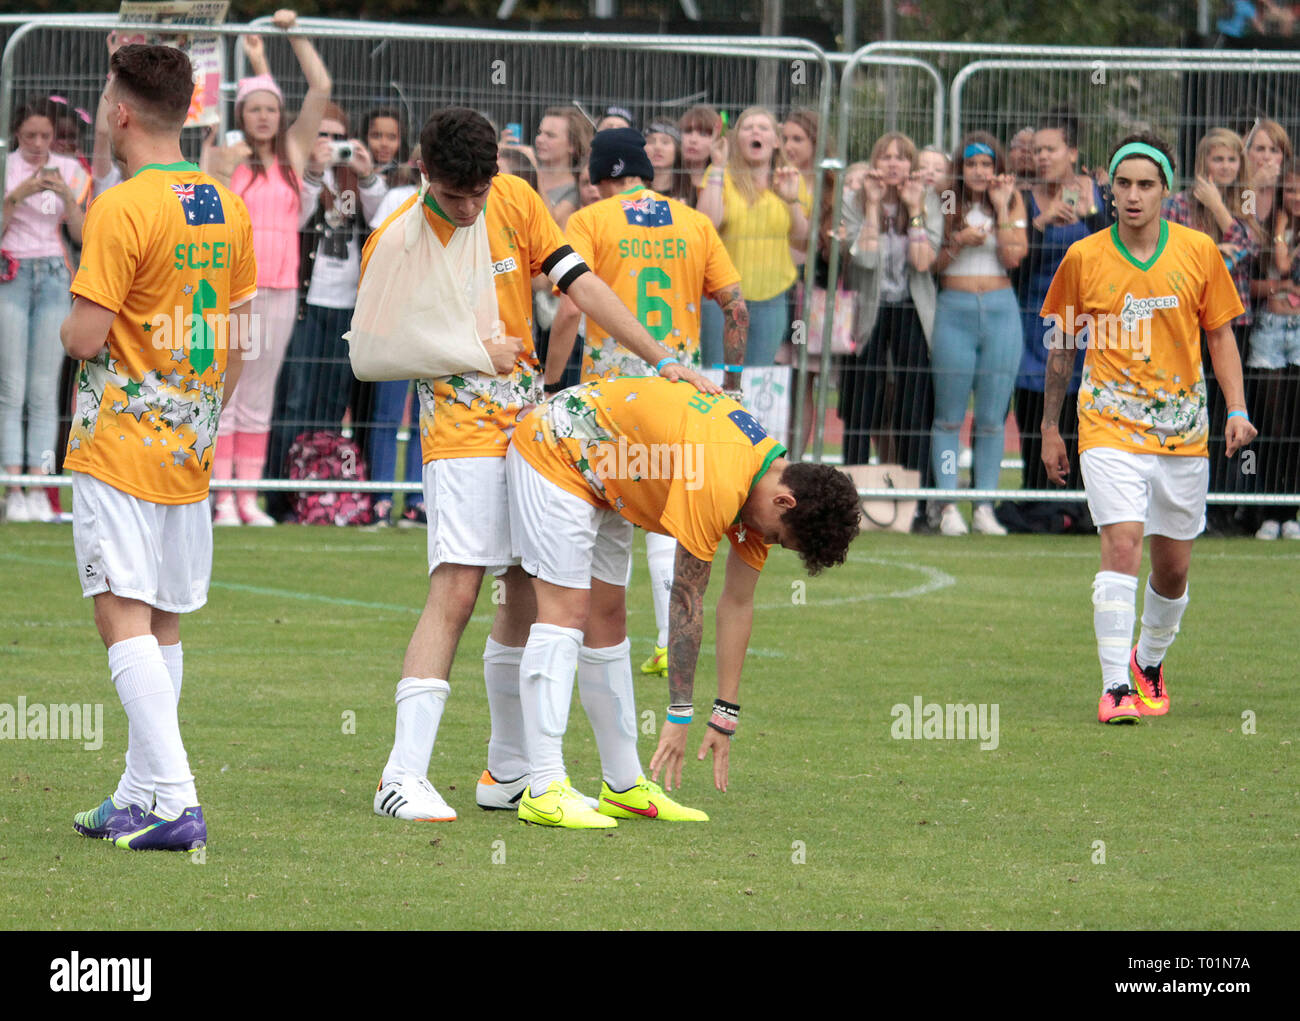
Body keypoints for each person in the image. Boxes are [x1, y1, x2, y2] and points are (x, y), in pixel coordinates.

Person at [362, 108, 717, 824]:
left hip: (530, 431)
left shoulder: (517, 200)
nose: (469, 207)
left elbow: (580, 286)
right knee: (458, 589)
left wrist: (665, 358)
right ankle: (400, 775)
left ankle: (508, 770)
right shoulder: (398, 235)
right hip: (458, 431)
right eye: (455, 195)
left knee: (524, 586)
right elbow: (370, 355)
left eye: (478, 193)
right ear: (425, 176)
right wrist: (465, 352)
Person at [506, 377, 862, 826]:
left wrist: (724, 717)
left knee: (608, 618)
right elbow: (687, 596)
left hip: (607, 470)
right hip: (556, 447)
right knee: (566, 611)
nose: (767, 543)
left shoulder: (764, 484)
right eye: (777, 537)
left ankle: (623, 786)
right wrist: (678, 714)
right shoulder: (721, 474)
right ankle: (544, 786)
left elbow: (736, 604)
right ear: (784, 501)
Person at [60, 43, 257, 850]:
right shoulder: (226, 200)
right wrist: (203, 408)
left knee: (122, 617)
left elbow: (83, 336)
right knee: (163, 621)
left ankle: (177, 797)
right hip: (188, 443)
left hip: (118, 445)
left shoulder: (120, 204)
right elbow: (243, 330)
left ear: (120, 113)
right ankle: (140, 790)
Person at [1040, 132, 1255, 724]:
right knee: (1123, 544)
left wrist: (1236, 409)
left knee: (1173, 567)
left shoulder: (1198, 251)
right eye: (1123, 185)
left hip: (1183, 433)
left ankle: (1149, 661)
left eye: (1146, 185)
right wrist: (1050, 427)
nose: (1133, 196)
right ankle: (1114, 687)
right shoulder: (1083, 257)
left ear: (1166, 190)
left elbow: (1220, 335)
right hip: (1106, 426)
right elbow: (1061, 343)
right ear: (1108, 189)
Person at [542, 127, 746, 682]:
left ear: (599, 176)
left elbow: (567, 311)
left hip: (613, 398)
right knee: (667, 515)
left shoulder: (590, 221)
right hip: (678, 391)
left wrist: (551, 383)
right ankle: (664, 640)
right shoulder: (696, 223)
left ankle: (592, 642)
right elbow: (735, 306)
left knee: (609, 524)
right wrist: (732, 386)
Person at [199, 9, 329, 526]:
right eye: (253, 109)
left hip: (279, 290)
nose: (264, 117)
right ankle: (217, 496)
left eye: (270, 109)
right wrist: (218, 166)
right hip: (234, 290)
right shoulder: (225, 157)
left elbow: (320, 85)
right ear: (240, 114)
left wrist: (290, 35)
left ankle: (245, 497)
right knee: (226, 390)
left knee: (260, 394)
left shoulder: (293, 156)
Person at [264, 102, 389, 524]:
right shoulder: (295, 172)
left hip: (348, 306)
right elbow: (294, 217)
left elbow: (382, 217)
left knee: (333, 405)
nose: (332, 145)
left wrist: (368, 174)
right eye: (323, 136)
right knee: (296, 400)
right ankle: (280, 496)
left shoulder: (354, 177)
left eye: (339, 138)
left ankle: (321, 494)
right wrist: (314, 173)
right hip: (306, 302)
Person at [1011, 108, 1112, 501]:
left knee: (1084, 416)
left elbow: (1114, 253)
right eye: (1036, 150)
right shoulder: (1024, 199)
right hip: (1036, 321)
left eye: (1050, 149)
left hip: (1090, 327)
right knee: (1037, 411)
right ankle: (1038, 501)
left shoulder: (1101, 195)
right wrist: (1041, 224)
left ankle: (1084, 505)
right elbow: (1014, 266)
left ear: (1072, 152)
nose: (1041, 157)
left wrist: (1089, 215)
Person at [931, 132, 1028, 535]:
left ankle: (984, 505)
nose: (979, 171)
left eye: (987, 164)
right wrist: (958, 241)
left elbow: (1013, 255)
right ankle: (948, 503)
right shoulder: (943, 200)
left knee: (991, 419)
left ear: (997, 168)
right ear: (961, 167)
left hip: (1002, 311)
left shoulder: (1011, 199)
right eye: (972, 164)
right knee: (950, 417)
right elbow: (931, 264)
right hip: (953, 311)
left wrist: (1004, 208)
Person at [1164, 127, 1260, 534]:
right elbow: (1176, 255)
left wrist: (1221, 210)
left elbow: (1249, 248)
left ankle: (1221, 506)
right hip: (1187, 324)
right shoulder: (1177, 205)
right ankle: (1182, 504)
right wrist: (1217, 254)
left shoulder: (1244, 202)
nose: (1224, 166)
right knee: (1186, 406)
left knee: (1227, 412)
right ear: (1203, 162)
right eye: (1217, 159)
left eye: (1231, 159)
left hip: (1231, 323)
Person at [839, 132, 941, 501]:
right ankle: (849, 494)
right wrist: (871, 207)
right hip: (868, 308)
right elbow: (863, 259)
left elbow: (923, 261)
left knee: (912, 403)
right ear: (874, 163)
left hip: (910, 308)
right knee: (861, 402)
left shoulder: (928, 200)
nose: (893, 164)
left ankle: (914, 498)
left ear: (911, 165)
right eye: (885, 157)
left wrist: (914, 212)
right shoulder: (853, 200)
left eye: (901, 158)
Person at [1, 97, 89, 523]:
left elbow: (81, 233)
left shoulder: (69, 169)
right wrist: (17, 194)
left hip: (55, 274)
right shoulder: (6, 165)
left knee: (44, 390)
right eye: (30, 136)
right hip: (12, 274)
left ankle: (38, 483)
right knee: (10, 387)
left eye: (45, 136)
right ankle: (12, 483)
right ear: (17, 133)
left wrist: (68, 197)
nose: (38, 144)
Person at [697, 106, 809, 369]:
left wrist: (791, 201)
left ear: (776, 141)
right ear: (737, 139)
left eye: (763, 128)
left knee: (758, 380)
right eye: (748, 127)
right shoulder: (720, 174)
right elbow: (706, 224)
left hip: (772, 297)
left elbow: (803, 242)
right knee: (717, 377)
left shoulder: (791, 178)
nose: (755, 132)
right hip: (721, 297)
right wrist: (716, 167)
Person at [1250, 157, 1300, 539]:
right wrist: (1280, 230)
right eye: (1290, 190)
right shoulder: (1266, 231)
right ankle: (1270, 510)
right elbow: (1259, 281)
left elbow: (1285, 270)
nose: (1296, 197)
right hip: (1268, 330)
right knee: (1271, 425)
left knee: (1296, 426)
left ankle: (1292, 512)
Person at [678, 104, 723, 202]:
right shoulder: (668, 178)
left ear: (717, 140)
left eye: (703, 134)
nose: (693, 140)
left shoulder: (725, 180)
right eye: (688, 131)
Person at [644, 119, 693, 202]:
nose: (657, 147)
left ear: (677, 150)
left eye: (665, 142)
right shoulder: (632, 190)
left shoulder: (692, 192)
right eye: (651, 141)